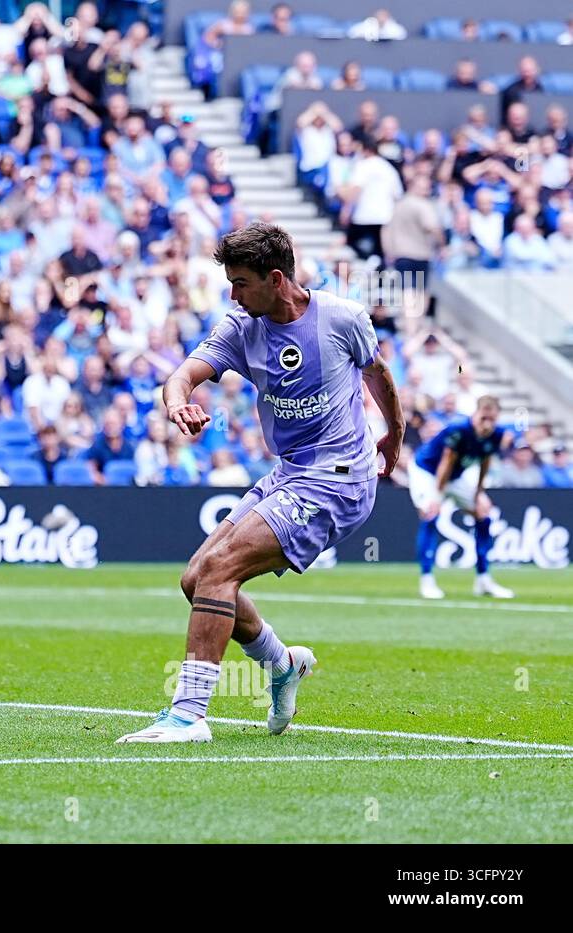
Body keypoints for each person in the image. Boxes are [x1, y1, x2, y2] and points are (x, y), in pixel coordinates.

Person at [116, 223, 404, 744]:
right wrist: (178, 401)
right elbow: (181, 375)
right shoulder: (239, 327)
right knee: (196, 579)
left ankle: (188, 715)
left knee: (221, 568)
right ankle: (283, 663)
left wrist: (392, 440)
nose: (232, 294)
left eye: (240, 282)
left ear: (276, 279)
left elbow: (377, 375)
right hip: (290, 472)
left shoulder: (342, 318)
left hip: (340, 478)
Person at [410, 397, 514, 600]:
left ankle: (483, 579)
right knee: (431, 515)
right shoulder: (459, 429)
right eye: (484, 417)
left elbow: (485, 461)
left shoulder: (496, 434)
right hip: (428, 472)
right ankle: (427, 580)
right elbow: (445, 463)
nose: (488, 423)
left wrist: (478, 493)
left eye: (492, 419)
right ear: (477, 412)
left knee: (484, 515)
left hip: (456, 477)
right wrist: (436, 497)